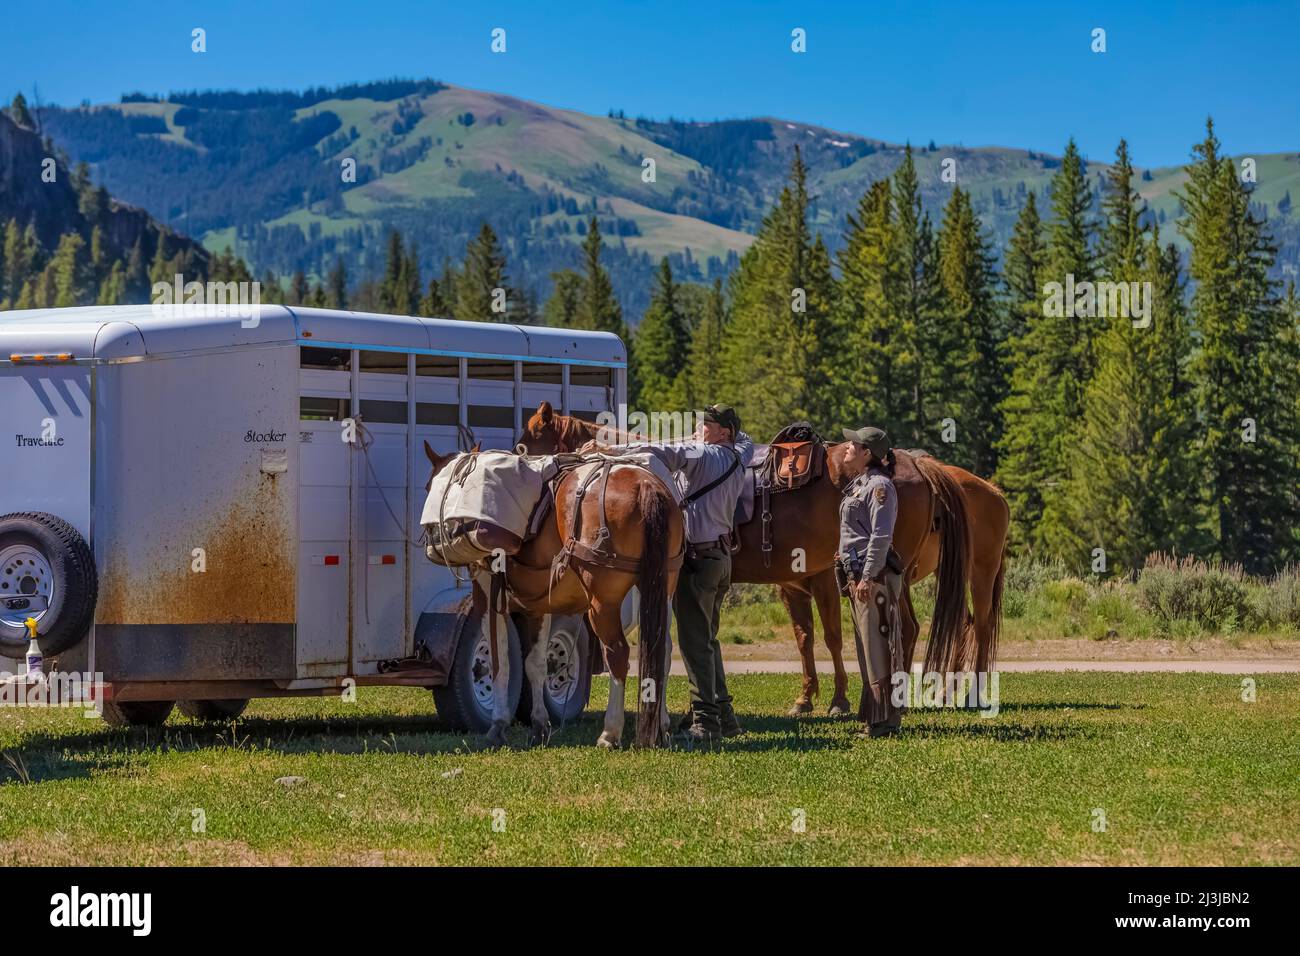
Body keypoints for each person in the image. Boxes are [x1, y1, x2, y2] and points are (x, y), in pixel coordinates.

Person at [583, 404, 753, 744]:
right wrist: (702, 436)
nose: (701, 428)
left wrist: (608, 449)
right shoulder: (740, 453)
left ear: (723, 432)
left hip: (699, 559)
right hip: (721, 559)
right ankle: (725, 716)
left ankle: (706, 723)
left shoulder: (702, 453)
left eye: (708, 425)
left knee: (695, 644)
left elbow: (654, 451)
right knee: (708, 639)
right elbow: (744, 437)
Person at [837, 426, 905, 737]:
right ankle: (877, 717)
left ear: (867, 453)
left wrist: (867, 576)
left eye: (853, 444)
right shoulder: (861, 483)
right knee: (868, 650)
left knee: (879, 650)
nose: (847, 447)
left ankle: (886, 721)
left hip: (873, 576)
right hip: (858, 575)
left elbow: (880, 536)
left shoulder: (879, 486)